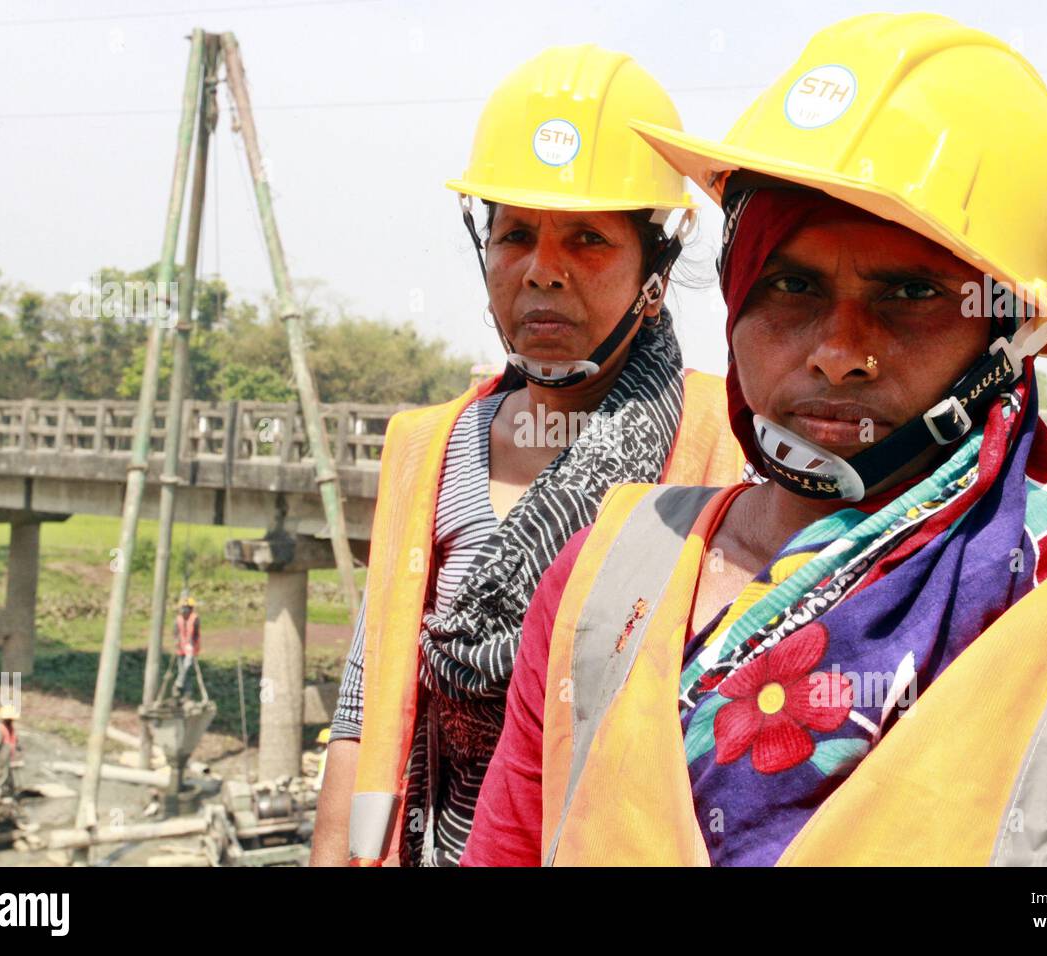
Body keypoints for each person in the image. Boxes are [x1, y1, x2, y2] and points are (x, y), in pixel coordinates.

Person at [464, 13, 1047, 866]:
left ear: (1009, 339)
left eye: (909, 294)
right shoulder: (604, 578)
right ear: (736, 291)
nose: (837, 353)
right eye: (790, 284)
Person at [310, 43, 744, 867]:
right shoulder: (427, 446)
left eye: (587, 238)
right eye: (516, 236)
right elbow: (370, 699)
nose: (543, 271)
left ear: (657, 266)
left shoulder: (720, 440)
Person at [173, 596, 201, 697]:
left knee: (187, 667)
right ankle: (182, 692)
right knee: (182, 669)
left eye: (187, 608)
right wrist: (176, 642)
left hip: (190, 648)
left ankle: (179, 686)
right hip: (180, 648)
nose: (185, 610)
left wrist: (192, 645)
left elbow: (196, 634)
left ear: (191, 609)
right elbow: (175, 632)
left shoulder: (195, 618)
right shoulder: (178, 619)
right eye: (183, 607)